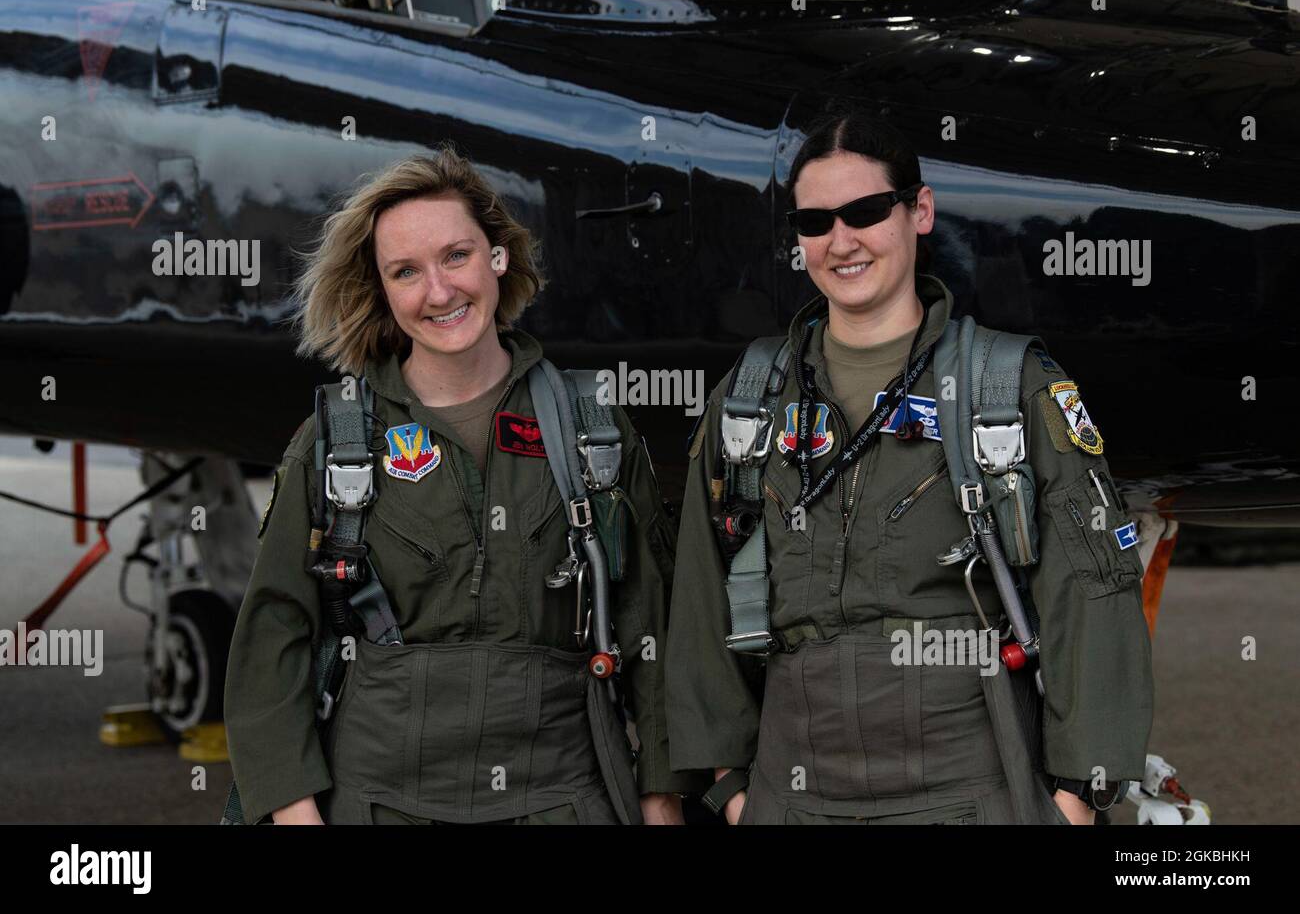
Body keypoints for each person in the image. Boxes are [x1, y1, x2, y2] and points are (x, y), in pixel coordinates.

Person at [665, 110, 1154, 825]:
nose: (841, 241)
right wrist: (730, 788)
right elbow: (701, 590)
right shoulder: (751, 396)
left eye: (865, 212)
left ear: (918, 212)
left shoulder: (1008, 387)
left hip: (967, 781)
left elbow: (1093, 593)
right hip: (793, 785)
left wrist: (1078, 797)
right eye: (814, 222)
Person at [224, 147, 690, 824]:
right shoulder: (336, 442)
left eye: (457, 256)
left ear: (498, 257)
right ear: (381, 290)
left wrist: (661, 802)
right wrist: (296, 815)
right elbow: (273, 642)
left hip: (561, 798)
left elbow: (653, 628)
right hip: (380, 802)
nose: (438, 292)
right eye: (405, 272)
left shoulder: (593, 431)